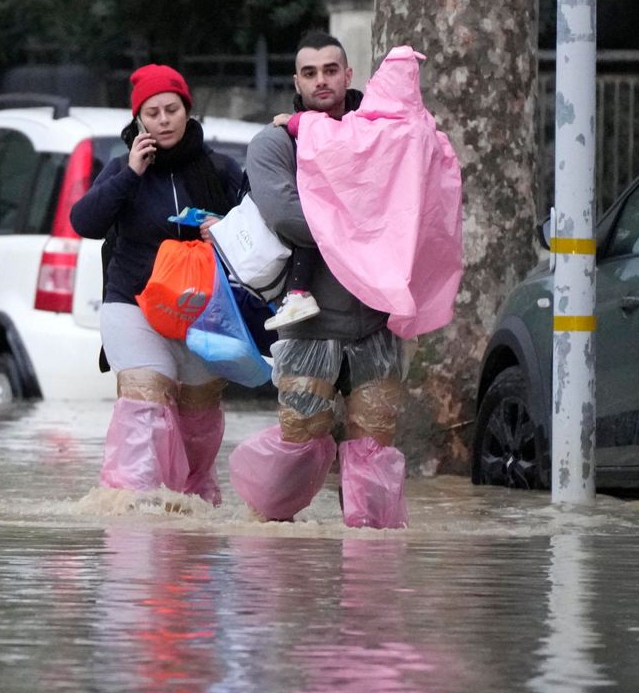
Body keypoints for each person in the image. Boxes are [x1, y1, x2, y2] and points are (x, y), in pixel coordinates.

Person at [228, 32, 410, 528]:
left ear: (349, 75)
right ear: (296, 81)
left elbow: (411, 199)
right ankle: (264, 542)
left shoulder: (379, 134)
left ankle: (374, 568)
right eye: (309, 73)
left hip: (378, 320)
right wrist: (366, 226)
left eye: (330, 70)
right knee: (301, 438)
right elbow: (286, 215)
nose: (321, 81)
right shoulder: (273, 142)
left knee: (374, 443)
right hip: (307, 323)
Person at [70, 64, 243, 505]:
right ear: (138, 120)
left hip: (203, 312)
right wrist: (131, 173)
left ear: (188, 111)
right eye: (152, 112)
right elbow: (84, 222)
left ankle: (191, 500)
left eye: (172, 109)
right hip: (133, 304)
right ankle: (128, 502)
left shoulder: (221, 170)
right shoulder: (121, 169)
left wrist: (223, 228)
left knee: (198, 419)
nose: (163, 120)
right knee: (145, 400)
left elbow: (253, 236)